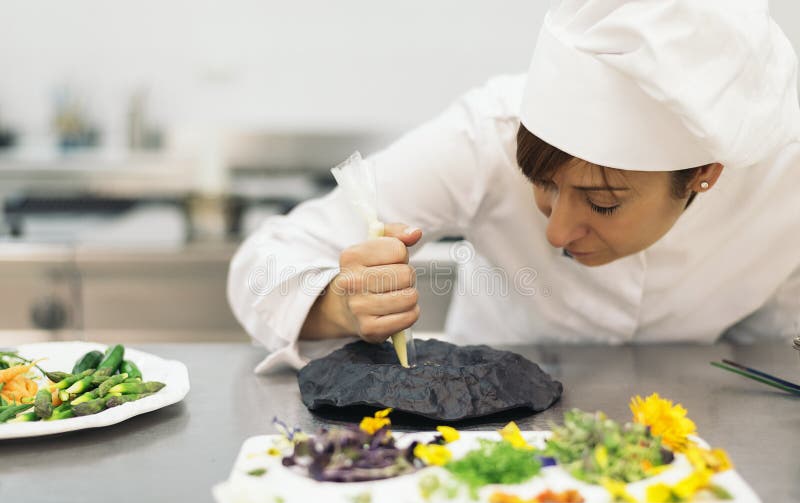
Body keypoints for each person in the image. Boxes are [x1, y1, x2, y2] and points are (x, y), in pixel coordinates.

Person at [228, 0, 800, 373]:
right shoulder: (486, 133)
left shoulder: (783, 175)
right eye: (543, 185)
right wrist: (340, 304)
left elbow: (781, 340)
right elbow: (261, 264)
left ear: (704, 174)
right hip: (484, 425)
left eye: (602, 203)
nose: (557, 232)